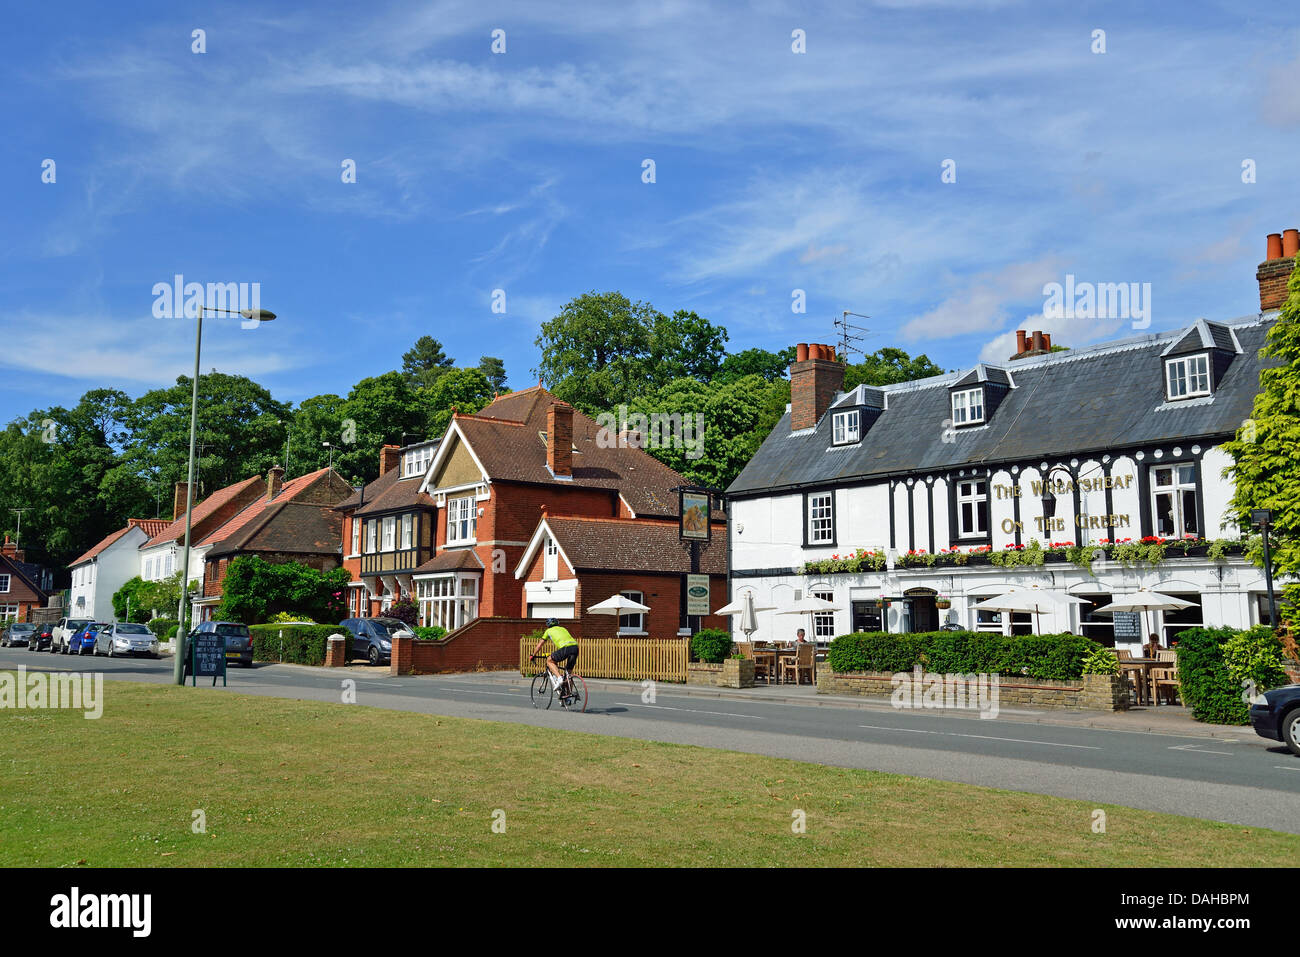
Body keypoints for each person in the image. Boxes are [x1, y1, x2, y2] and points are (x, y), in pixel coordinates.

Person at [532, 618, 579, 695]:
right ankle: (568, 696)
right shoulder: (563, 628)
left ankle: (559, 678)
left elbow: (540, 645)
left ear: (548, 625)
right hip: (575, 647)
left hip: (565, 648)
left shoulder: (548, 631)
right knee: (568, 674)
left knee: (549, 660)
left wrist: (533, 655)